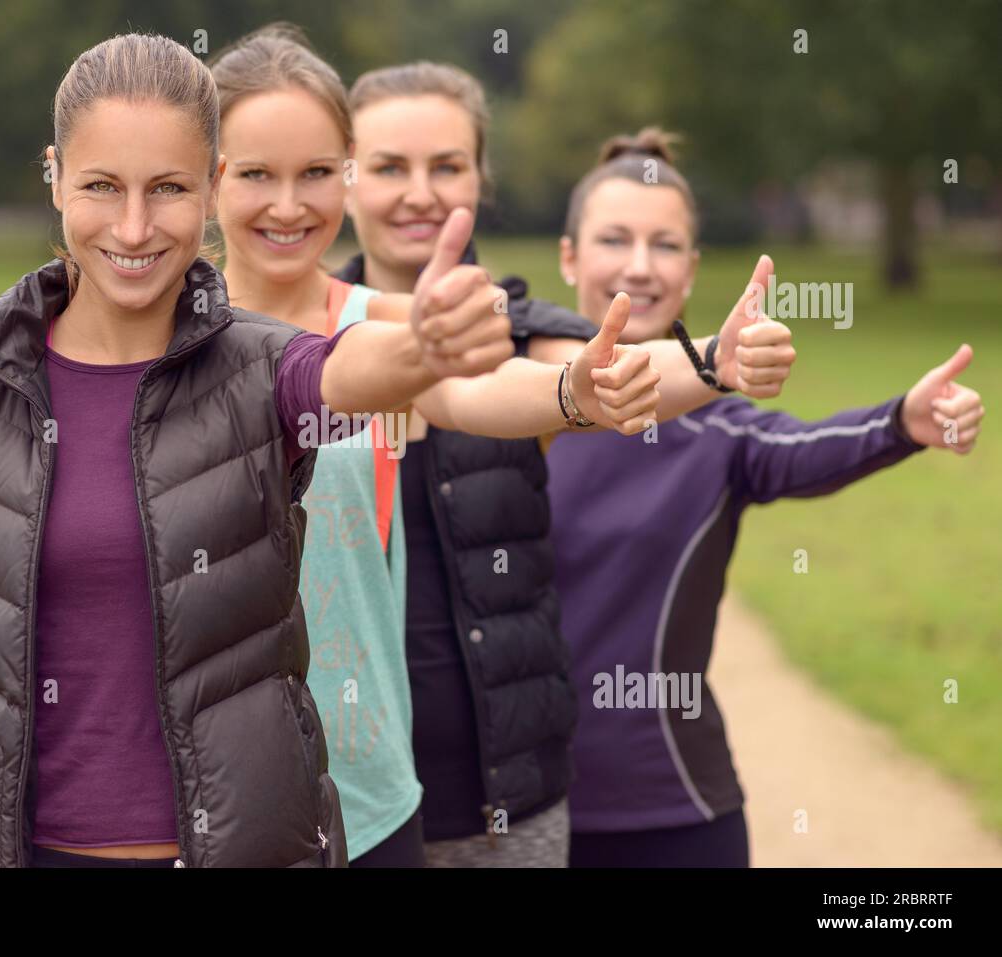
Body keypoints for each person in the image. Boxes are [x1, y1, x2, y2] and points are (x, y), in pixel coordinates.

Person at [0, 31, 520, 869]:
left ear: (212, 185)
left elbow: (345, 368)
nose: (135, 227)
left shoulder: (261, 365)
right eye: (102, 187)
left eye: (169, 188)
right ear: (54, 177)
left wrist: (421, 345)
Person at [207, 24, 667, 865]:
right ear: (208, 180)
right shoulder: (168, 341)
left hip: (374, 794)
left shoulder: (379, 324)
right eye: (256, 175)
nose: (287, 204)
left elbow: (468, 389)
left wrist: (575, 391)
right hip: (215, 793)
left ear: (344, 173)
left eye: (315, 173)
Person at [338, 62, 796, 866]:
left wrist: (717, 358)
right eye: (388, 166)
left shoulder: (525, 333)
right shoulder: (288, 340)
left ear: (481, 175)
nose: (419, 192)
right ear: (344, 178)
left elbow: (605, 371)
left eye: (447, 165)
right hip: (341, 806)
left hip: (502, 809)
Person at [545, 127, 985, 867]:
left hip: (678, 809)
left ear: (691, 270)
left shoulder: (718, 428)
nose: (640, 267)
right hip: (519, 819)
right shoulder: (502, 407)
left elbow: (802, 448)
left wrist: (899, 421)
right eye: (615, 239)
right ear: (568, 256)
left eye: (666, 245)